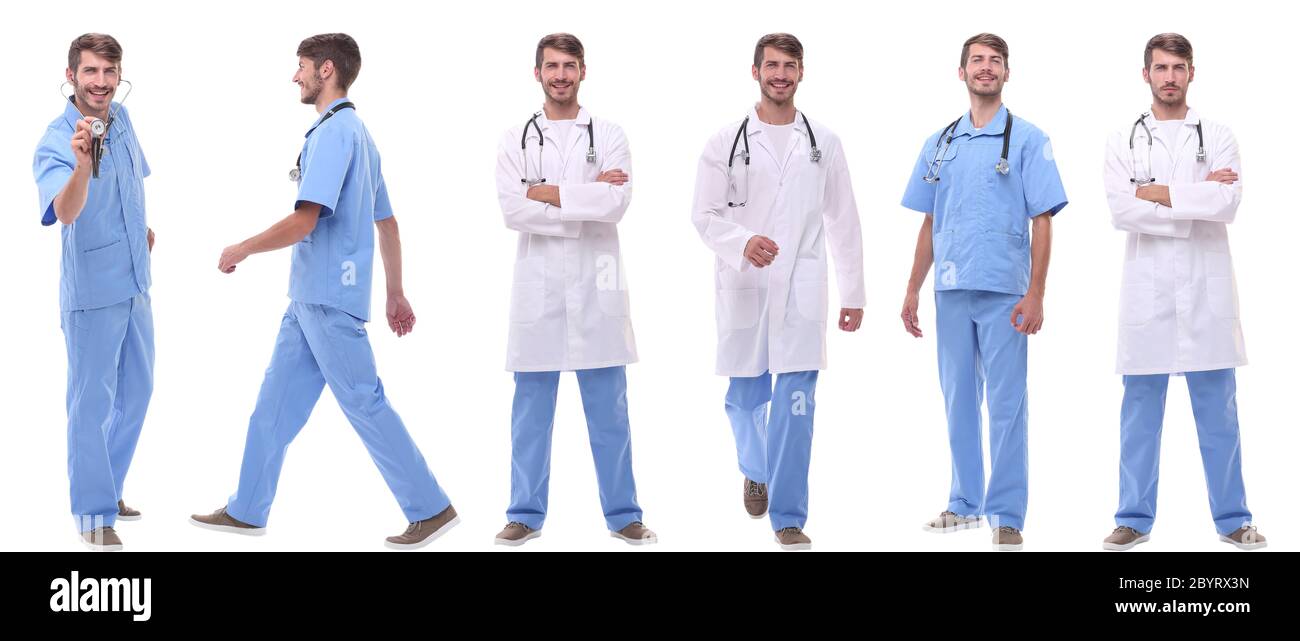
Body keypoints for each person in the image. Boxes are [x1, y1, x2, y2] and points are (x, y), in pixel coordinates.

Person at [190, 33, 457, 550]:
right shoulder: (360, 134)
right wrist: (395, 293)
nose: (295, 76)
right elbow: (389, 225)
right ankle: (247, 508)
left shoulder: (336, 134)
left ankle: (430, 507)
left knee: (364, 402)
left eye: (301, 67)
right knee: (272, 408)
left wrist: (242, 248)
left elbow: (305, 221)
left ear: (326, 70)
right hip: (308, 301)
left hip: (329, 299)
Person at [691, 33, 865, 551]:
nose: (780, 74)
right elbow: (703, 215)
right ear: (756, 72)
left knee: (795, 406)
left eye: (790, 65)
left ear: (801, 72)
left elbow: (844, 219)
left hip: (802, 290)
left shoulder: (824, 142)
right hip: (744, 283)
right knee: (744, 403)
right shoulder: (725, 141)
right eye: (772, 65)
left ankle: (788, 517)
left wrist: (853, 292)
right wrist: (742, 242)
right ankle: (756, 468)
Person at [900, 33, 1066, 552]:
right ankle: (964, 503)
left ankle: (1007, 513)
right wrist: (911, 290)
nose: (986, 68)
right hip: (950, 288)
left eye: (995, 61)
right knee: (957, 401)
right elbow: (930, 221)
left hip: (1004, 293)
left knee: (1007, 403)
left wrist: (1036, 293)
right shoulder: (941, 142)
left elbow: (1043, 220)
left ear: (1006, 73)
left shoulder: (1028, 139)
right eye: (977, 60)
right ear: (962, 72)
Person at [1101, 33, 1265, 552]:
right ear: (1145, 74)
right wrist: (1195, 200)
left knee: (1219, 417)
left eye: (1178, 67)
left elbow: (1227, 204)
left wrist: (1160, 194)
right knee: (1139, 421)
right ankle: (1133, 518)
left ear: (1192, 72)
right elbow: (1121, 211)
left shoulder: (1217, 135)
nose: (1169, 77)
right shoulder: (1122, 139)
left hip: (1205, 295)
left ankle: (1234, 519)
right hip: (1147, 298)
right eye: (1160, 68)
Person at [492, 33, 655, 547]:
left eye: (569, 66)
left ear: (584, 71)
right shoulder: (515, 137)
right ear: (536, 73)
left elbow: (615, 204)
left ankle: (624, 514)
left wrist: (547, 195)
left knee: (610, 416)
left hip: (596, 289)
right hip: (538, 292)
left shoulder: (609, 134)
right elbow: (511, 210)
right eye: (551, 66)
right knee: (530, 420)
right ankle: (524, 513)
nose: (560, 74)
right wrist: (583, 199)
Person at [34, 33, 157, 551]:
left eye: (109, 72)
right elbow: (64, 212)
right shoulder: (55, 140)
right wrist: (82, 164)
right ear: (71, 77)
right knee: (89, 405)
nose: (101, 83)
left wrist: (142, 228)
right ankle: (91, 515)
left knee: (137, 392)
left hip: (135, 281)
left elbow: (133, 179)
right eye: (91, 72)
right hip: (92, 293)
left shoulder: (123, 121)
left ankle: (108, 488)